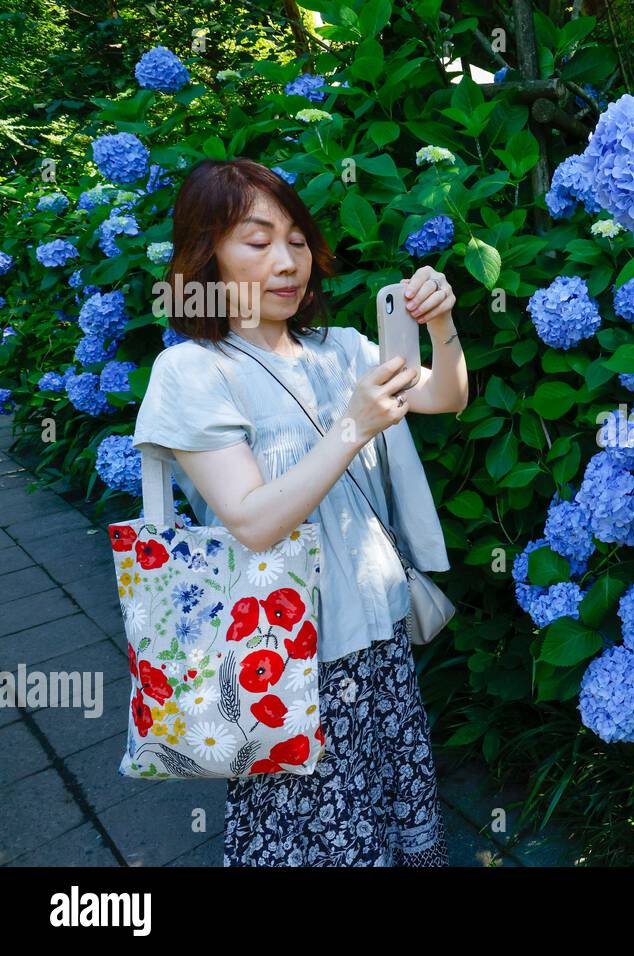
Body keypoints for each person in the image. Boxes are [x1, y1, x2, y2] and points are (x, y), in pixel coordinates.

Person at [131, 157, 469, 866]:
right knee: (313, 839)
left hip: (374, 632)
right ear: (206, 254)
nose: (288, 262)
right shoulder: (192, 373)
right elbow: (253, 520)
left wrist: (441, 328)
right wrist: (352, 426)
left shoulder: (339, 349)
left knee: (388, 808)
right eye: (257, 242)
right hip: (280, 659)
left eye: (296, 240)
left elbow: (444, 397)